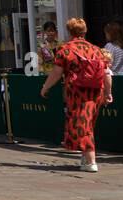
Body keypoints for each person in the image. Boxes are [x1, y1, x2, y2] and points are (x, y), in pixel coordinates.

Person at [40, 17, 112, 172]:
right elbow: (106, 73)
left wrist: (45, 87)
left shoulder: (65, 50)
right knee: (88, 124)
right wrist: (108, 92)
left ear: (69, 31)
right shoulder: (96, 49)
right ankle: (85, 158)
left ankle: (91, 161)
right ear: (84, 31)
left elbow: (56, 73)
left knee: (83, 126)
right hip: (95, 91)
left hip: (77, 92)